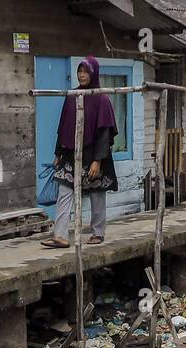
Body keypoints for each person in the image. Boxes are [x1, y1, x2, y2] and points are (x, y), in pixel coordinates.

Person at [41, 56, 118, 249]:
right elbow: (63, 125)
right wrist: (58, 152)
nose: (82, 75)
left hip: (94, 154)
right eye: (80, 71)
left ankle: (98, 233)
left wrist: (98, 161)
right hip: (71, 152)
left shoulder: (102, 98)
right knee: (65, 191)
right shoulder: (72, 95)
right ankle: (60, 236)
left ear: (94, 74)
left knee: (96, 193)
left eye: (86, 71)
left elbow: (104, 132)